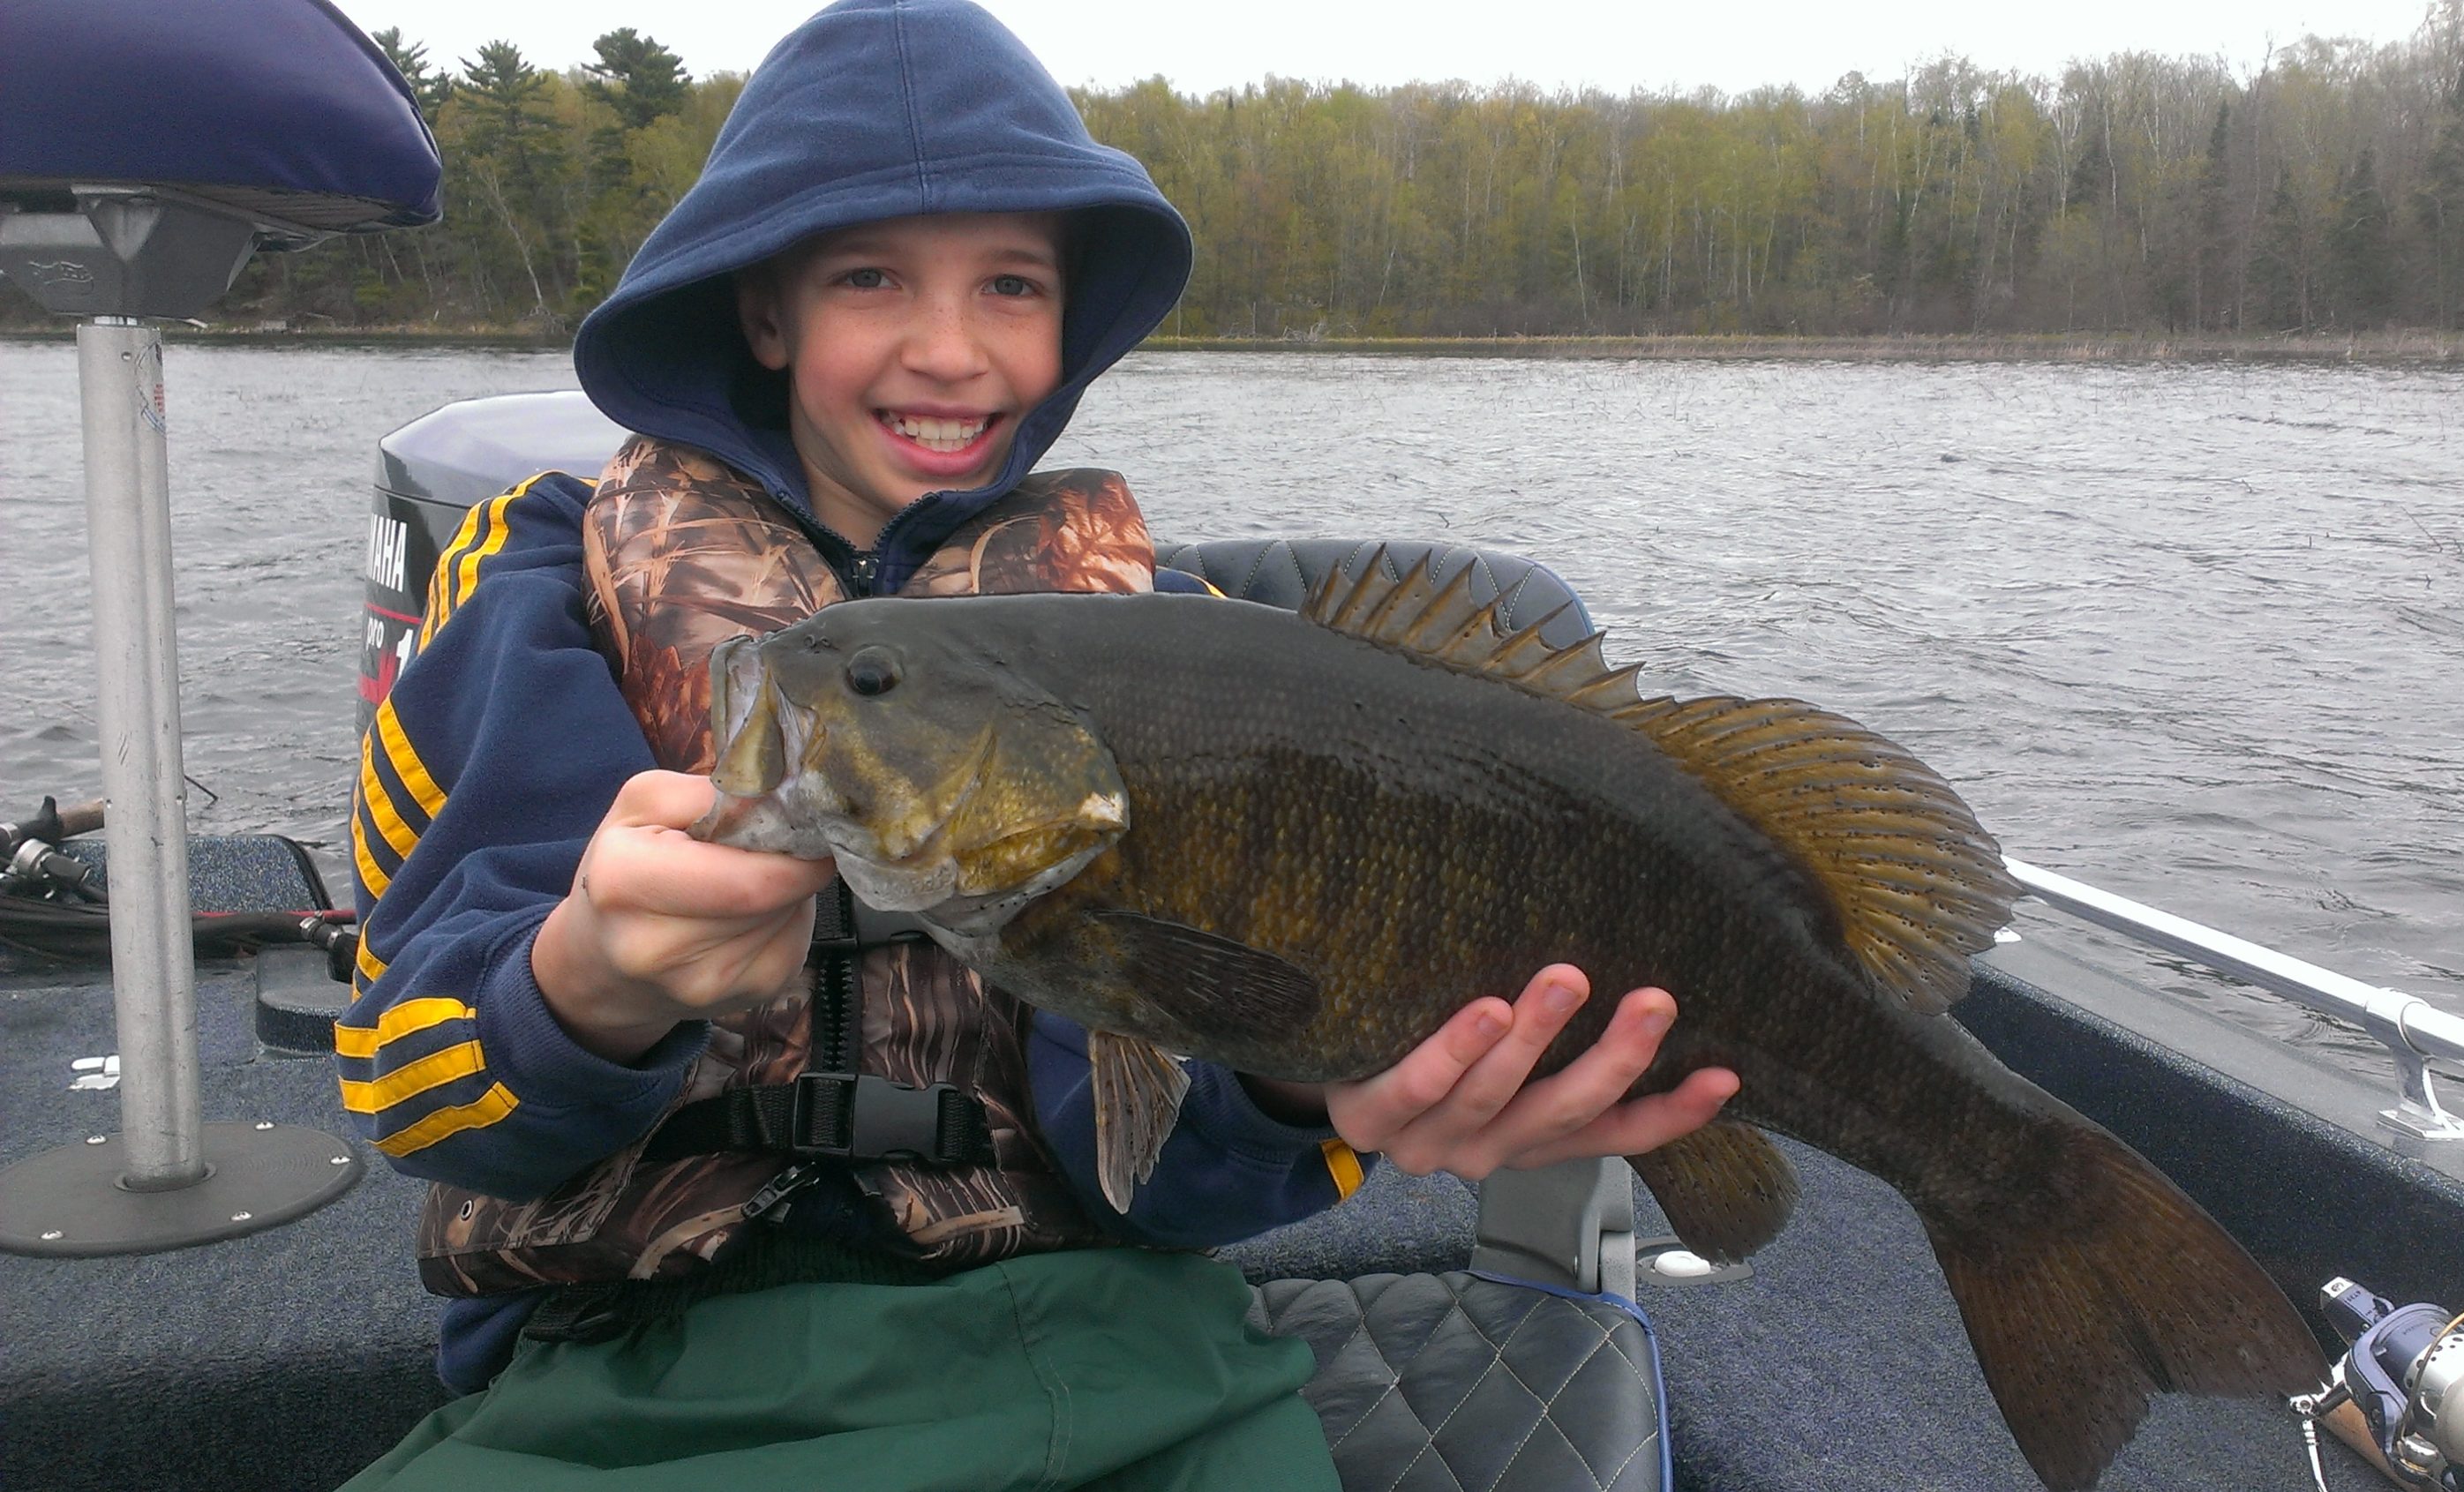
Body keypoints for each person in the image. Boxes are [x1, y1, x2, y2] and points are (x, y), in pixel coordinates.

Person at [335, 2, 1736, 1486]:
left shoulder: (1156, 633)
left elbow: (1164, 1183)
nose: (950, 349)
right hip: (635, 1375)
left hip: (1127, 1348)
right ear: (764, 311)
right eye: (870, 277)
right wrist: (584, 986)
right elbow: (411, 1088)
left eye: (1011, 285)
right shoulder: (543, 590)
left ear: (1071, 320)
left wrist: (1295, 1088)